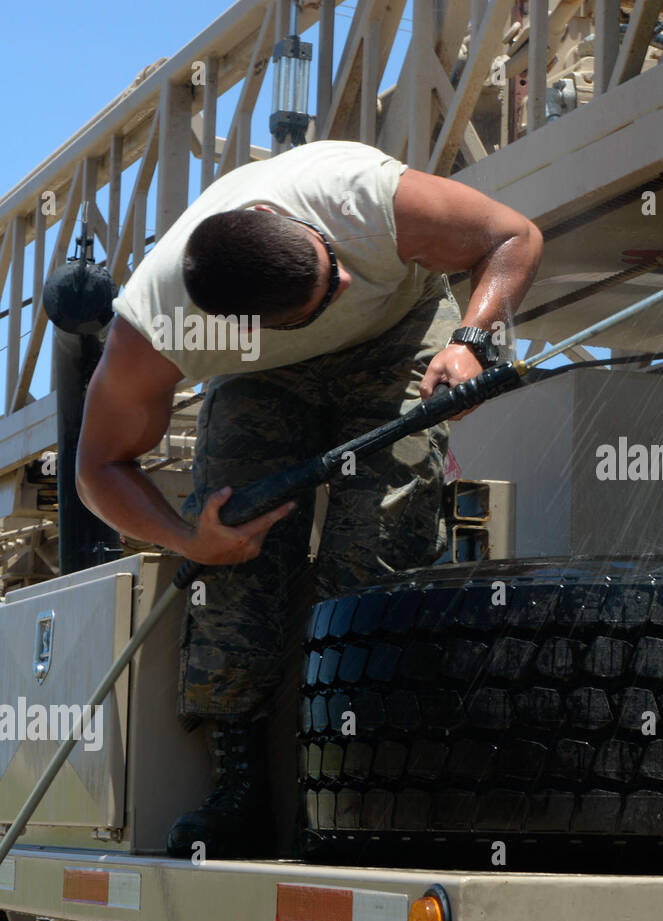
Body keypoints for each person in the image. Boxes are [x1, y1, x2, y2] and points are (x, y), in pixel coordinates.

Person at [76, 140, 543, 858]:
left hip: (400, 334)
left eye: (333, 261)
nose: (348, 279)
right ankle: (239, 786)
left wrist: (474, 342)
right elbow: (96, 468)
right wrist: (184, 538)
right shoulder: (158, 329)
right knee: (231, 535)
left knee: (381, 541)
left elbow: (514, 234)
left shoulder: (363, 199)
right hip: (265, 377)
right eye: (325, 294)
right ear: (244, 325)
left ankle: (359, 773)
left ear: (288, 220)